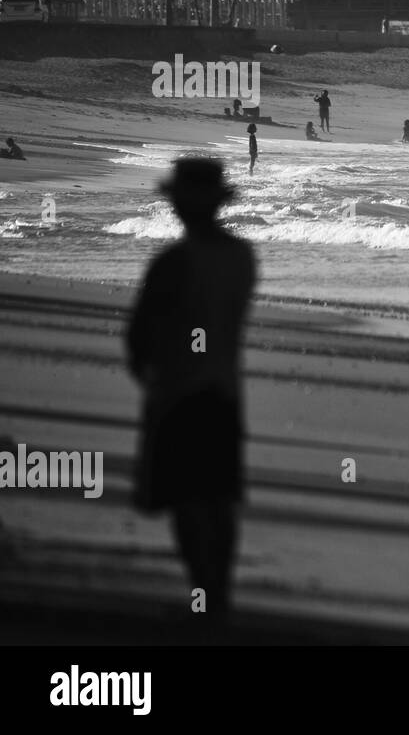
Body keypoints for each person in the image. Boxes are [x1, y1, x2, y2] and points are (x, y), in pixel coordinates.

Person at [126, 157, 256, 626]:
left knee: (186, 501)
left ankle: (202, 597)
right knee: (219, 499)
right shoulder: (241, 257)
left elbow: (141, 334)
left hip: (180, 392)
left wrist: (149, 374)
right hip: (225, 391)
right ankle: (217, 597)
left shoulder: (174, 262)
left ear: (178, 205)